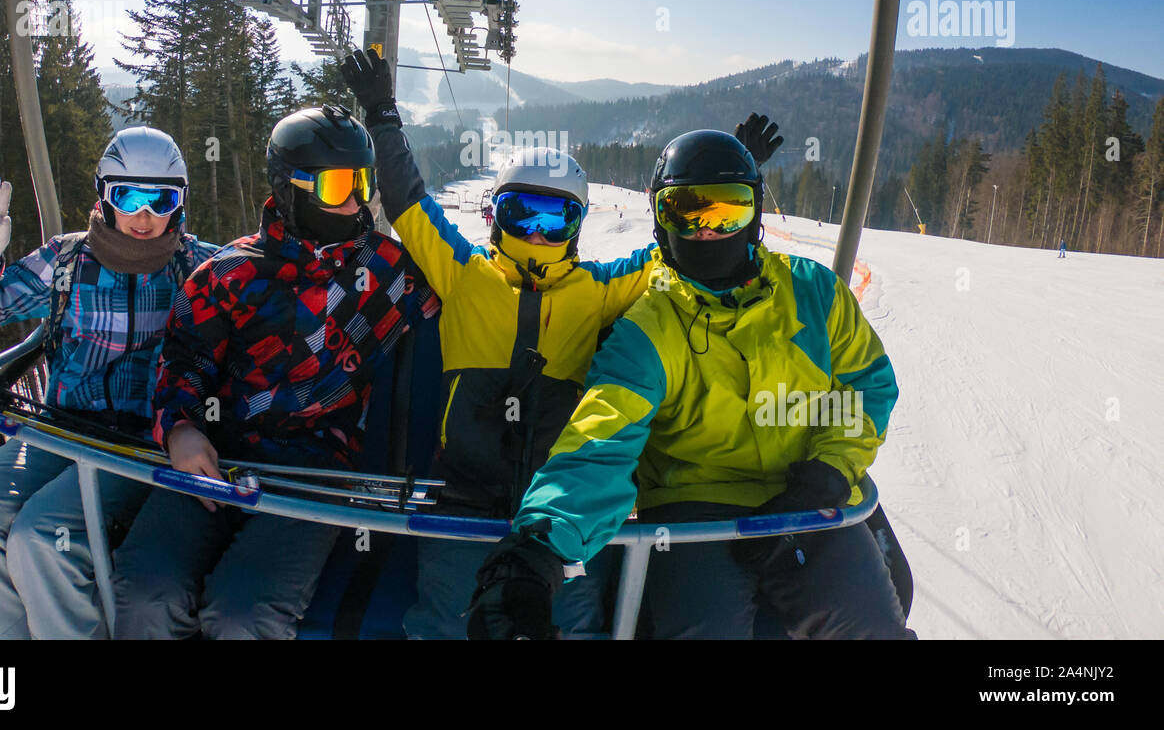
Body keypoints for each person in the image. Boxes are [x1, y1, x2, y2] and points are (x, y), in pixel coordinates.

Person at [340, 49, 784, 639]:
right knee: (447, 622)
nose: (539, 235)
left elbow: (689, 241)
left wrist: (727, 171)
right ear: (494, 216)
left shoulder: (597, 291)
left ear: (577, 227)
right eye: (524, 216)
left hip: (560, 512)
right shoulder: (464, 273)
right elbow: (407, 203)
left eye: (557, 221)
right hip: (465, 497)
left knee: (569, 625)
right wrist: (383, 116)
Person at [467, 129, 909, 640]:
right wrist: (538, 549)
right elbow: (600, 440)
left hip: (808, 500)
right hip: (695, 510)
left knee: (872, 629)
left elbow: (866, 385)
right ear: (660, 220)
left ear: (756, 215)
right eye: (686, 213)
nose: (705, 232)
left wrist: (830, 471)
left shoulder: (814, 294)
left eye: (728, 213)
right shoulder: (651, 327)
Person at [112, 105, 438, 640]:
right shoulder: (229, 274)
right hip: (218, 457)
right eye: (338, 187)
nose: (357, 201)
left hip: (317, 470)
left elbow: (467, 283)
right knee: (148, 588)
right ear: (291, 188)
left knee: (243, 613)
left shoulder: (385, 269)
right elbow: (184, 358)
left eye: (363, 182)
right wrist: (182, 428)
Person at [0, 127, 217, 640]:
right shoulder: (69, 260)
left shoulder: (197, 267)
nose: (144, 216)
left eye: (161, 199)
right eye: (128, 197)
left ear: (180, 203)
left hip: (138, 440)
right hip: (61, 428)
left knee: (41, 539)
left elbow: (261, 285)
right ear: (104, 197)